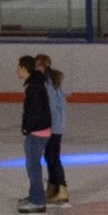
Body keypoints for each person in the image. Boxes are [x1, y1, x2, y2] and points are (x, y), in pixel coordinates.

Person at [17, 54, 54, 214]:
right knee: (32, 166)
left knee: (33, 167)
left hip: (37, 133)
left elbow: (35, 112)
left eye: (18, 67)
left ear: (24, 69)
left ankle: (37, 200)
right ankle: (34, 195)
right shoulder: (36, 83)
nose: (17, 71)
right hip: (40, 131)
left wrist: (27, 128)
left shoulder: (33, 87)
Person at [35, 54, 69, 206]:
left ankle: (61, 188)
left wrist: (44, 124)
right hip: (56, 125)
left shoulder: (48, 83)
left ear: (42, 66)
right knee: (50, 156)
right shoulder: (51, 81)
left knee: (52, 157)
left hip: (53, 126)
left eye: (37, 66)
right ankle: (53, 187)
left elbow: (52, 107)